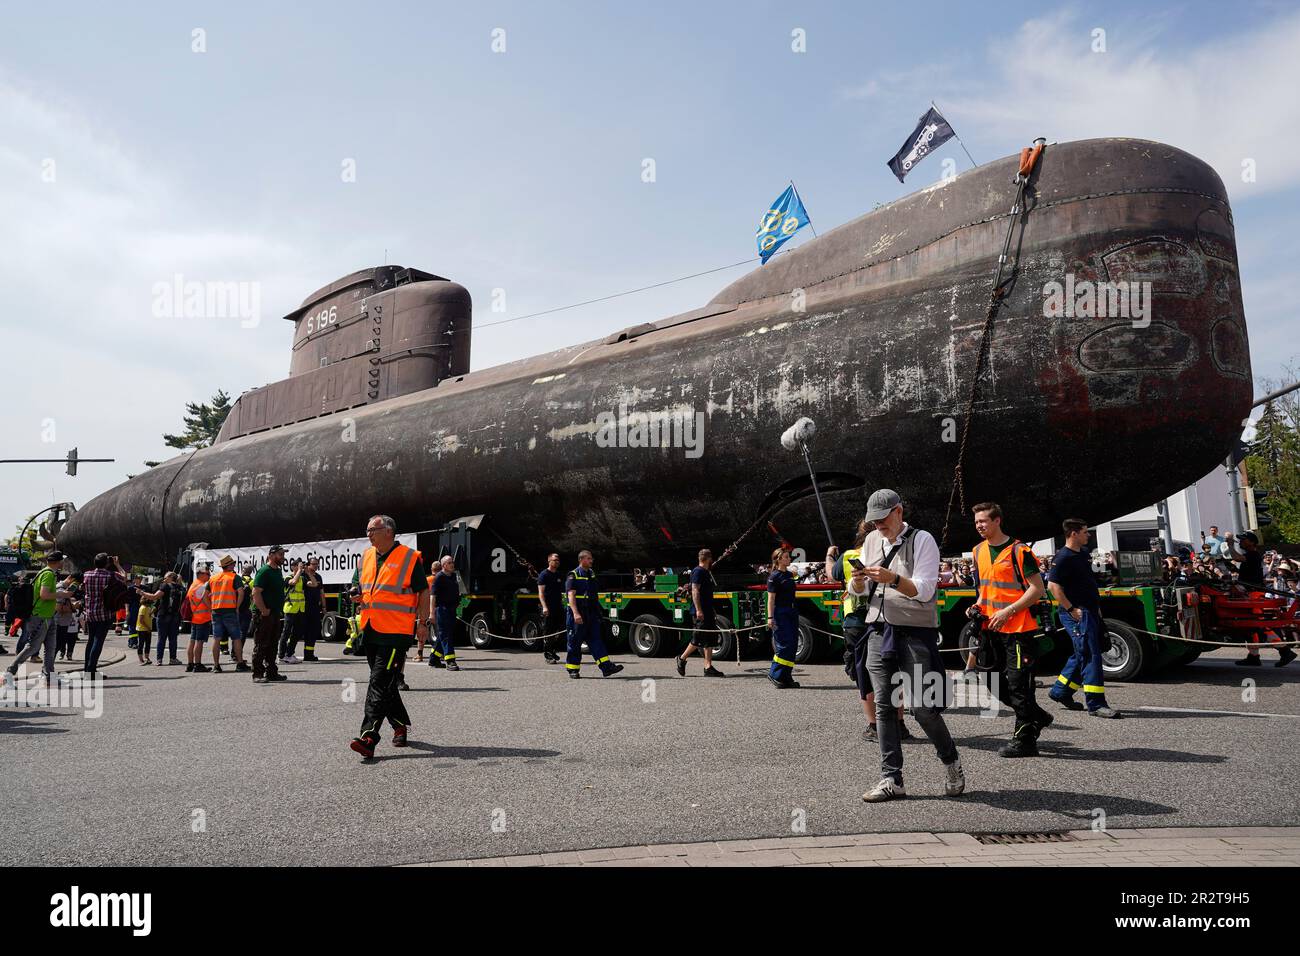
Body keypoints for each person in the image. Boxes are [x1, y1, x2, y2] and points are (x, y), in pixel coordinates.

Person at [847, 490, 964, 803]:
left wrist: (892, 578)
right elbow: (858, 590)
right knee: (884, 705)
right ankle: (891, 778)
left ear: (898, 511)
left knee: (923, 708)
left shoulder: (923, 539)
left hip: (914, 631)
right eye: (873, 521)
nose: (878, 526)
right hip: (877, 630)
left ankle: (951, 762)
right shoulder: (872, 540)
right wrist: (858, 582)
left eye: (883, 520)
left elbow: (925, 591)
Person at [968, 502, 1054, 758]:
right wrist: (976, 606)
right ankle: (1036, 716)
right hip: (990, 627)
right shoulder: (977, 551)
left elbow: (1037, 589)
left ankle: (1025, 740)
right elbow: (984, 589)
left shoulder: (1020, 551)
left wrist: (1008, 611)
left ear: (997, 521)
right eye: (976, 523)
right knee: (992, 681)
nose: (979, 526)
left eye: (983, 521)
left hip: (1017, 628)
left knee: (1019, 686)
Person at [350, 515, 429, 758]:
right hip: (372, 629)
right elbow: (358, 586)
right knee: (385, 683)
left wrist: (423, 623)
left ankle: (369, 737)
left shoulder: (409, 557)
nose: (368, 534)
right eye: (367, 530)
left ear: (388, 531)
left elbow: (423, 592)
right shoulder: (366, 556)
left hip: (396, 632)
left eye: (372, 530)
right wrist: (355, 593)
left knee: (378, 681)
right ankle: (399, 726)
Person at [829, 521, 912, 740]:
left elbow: (834, 575)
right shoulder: (891, 551)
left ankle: (874, 726)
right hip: (886, 618)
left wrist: (830, 556)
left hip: (857, 621)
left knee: (864, 675)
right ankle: (900, 724)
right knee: (893, 672)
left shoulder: (849, 555)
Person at [1046, 519, 1119, 718]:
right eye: (1085, 532)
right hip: (1077, 613)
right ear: (1073, 533)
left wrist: (1097, 610)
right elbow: (1053, 587)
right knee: (1091, 655)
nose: (1089, 535)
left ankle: (1060, 691)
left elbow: (1088, 584)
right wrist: (1071, 610)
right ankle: (1096, 704)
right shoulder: (1062, 557)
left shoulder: (1084, 554)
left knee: (1083, 651)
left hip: (1090, 611)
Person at [1227, 531, 1296, 667]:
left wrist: (1229, 545)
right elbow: (1248, 572)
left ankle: (1285, 651)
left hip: (1253, 595)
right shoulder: (1252, 556)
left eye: (1243, 540)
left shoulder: (1252, 554)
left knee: (1259, 625)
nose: (1240, 542)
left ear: (1252, 542)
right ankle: (1253, 656)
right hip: (1251, 593)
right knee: (1249, 626)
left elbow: (1235, 556)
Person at [2, 551, 68, 689]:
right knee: (32, 647)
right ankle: (8, 673)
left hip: (47, 616)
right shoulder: (49, 574)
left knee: (50, 647)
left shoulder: (45, 572)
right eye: (62, 560)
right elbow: (44, 595)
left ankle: (49, 677)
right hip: (40, 616)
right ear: (58, 561)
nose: (63, 562)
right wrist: (61, 594)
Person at [564, 550, 623, 679]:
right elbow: (571, 596)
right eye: (589, 558)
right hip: (578, 614)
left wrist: (598, 613)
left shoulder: (591, 574)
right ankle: (573, 669)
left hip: (591, 614)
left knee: (596, 641)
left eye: (591, 558)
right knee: (575, 642)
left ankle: (606, 668)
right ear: (581, 560)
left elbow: (594, 596)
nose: (591, 561)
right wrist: (575, 613)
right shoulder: (573, 575)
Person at [675, 549, 726, 677]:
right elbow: (695, 591)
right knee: (698, 638)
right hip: (700, 611)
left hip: (707, 610)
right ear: (709, 559)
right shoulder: (698, 571)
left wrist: (711, 610)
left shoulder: (705, 572)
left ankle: (708, 667)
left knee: (709, 638)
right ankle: (681, 659)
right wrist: (698, 610)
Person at [80, 552, 128, 680]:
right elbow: (124, 577)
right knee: (98, 641)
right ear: (107, 563)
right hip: (104, 612)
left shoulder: (87, 574)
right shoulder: (110, 575)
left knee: (90, 641)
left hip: (90, 612)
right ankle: (91, 671)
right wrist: (117, 564)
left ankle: (88, 670)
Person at [251, 547, 289, 684]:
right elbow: (256, 592)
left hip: (274, 612)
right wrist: (263, 610)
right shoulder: (264, 571)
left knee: (273, 643)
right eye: (280, 554)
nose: (283, 557)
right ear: (271, 555)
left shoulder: (277, 571)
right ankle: (257, 673)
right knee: (262, 644)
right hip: (264, 613)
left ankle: (272, 672)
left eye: (283, 554)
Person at [767, 547, 800, 688]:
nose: (789, 559)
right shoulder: (774, 577)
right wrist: (770, 617)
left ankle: (786, 676)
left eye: (788, 557)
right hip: (780, 613)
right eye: (786, 557)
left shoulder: (789, 575)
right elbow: (771, 599)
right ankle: (775, 674)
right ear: (779, 559)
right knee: (784, 644)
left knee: (793, 645)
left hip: (791, 611)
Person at [208, 555, 245, 673]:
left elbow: (204, 596)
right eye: (233, 564)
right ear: (229, 565)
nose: (234, 565)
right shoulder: (234, 577)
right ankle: (240, 663)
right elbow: (241, 593)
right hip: (230, 610)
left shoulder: (213, 578)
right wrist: (237, 607)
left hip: (216, 611)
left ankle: (216, 665)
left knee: (216, 638)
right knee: (236, 637)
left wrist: (211, 607)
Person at [139, 572, 185, 664]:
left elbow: (154, 597)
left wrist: (142, 593)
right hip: (175, 616)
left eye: (165, 577)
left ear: (171, 577)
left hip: (163, 615)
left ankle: (159, 659)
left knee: (161, 638)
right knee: (173, 639)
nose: (164, 579)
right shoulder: (181, 588)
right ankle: (173, 659)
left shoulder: (165, 586)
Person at [428, 556, 461, 671]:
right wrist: (432, 613)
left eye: (453, 562)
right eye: (450, 563)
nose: (452, 564)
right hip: (442, 610)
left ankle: (433, 659)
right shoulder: (439, 577)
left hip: (452, 609)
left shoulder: (453, 576)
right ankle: (450, 661)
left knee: (443, 635)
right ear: (444, 565)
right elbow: (433, 596)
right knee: (446, 635)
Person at [185, 564, 214, 673]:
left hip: (195, 617)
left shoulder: (193, 585)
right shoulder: (203, 586)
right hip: (203, 618)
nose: (209, 575)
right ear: (201, 574)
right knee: (199, 641)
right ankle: (198, 664)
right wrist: (211, 609)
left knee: (192, 640)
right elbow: (206, 599)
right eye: (207, 573)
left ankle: (190, 664)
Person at [537, 552, 565, 664]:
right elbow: (541, 593)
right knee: (549, 632)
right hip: (548, 608)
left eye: (558, 560)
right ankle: (548, 655)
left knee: (562, 630)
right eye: (555, 560)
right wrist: (544, 607)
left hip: (558, 606)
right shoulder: (544, 575)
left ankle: (552, 650)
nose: (557, 562)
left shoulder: (558, 575)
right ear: (549, 561)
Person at [279, 559, 306, 664]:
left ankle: (289, 654)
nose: (301, 567)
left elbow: (313, 584)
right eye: (298, 565)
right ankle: (281, 655)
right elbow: (293, 582)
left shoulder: (302, 578)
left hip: (300, 609)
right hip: (290, 609)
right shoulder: (288, 577)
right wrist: (299, 570)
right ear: (293, 567)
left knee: (297, 633)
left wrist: (306, 571)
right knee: (286, 632)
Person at [301, 558, 323, 662]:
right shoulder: (303, 576)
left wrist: (324, 607)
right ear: (308, 565)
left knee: (313, 631)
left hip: (315, 607)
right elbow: (311, 584)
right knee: (300, 631)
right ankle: (287, 654)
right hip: (304, 607)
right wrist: (307, 572)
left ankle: (309, 654)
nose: (316, 566)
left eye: (317, 564)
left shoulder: (318, 576)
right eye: (313, 564)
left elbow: (321, 592)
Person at [234, 563, 255, 669]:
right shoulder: (253, 581)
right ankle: (238, 654)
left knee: (235, 632)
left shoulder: (237, 580)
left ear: (243, 570)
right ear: (251, 571)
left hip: (235, 608)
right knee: (243, 633)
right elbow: (253, 595)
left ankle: (234, 654)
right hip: (246, 609)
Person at [55, 588, 79, 661]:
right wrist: (72, 607)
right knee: (59, 643)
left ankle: (68, 654)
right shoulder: (61, 596)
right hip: (60, 624)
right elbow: (59, 609)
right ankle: (54, 657)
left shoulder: (67, 599)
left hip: (67, 626)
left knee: (64, 643)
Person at [134, 590, 155, 666]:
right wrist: (148, 627)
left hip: (148, 628)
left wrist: (152, 612)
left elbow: (150, 617)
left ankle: (147, 658)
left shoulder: (148, 608)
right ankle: (140, 659)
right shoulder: (142, 608)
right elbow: (141, 620)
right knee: (141, 644)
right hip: (142, 629)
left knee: (148, 644)